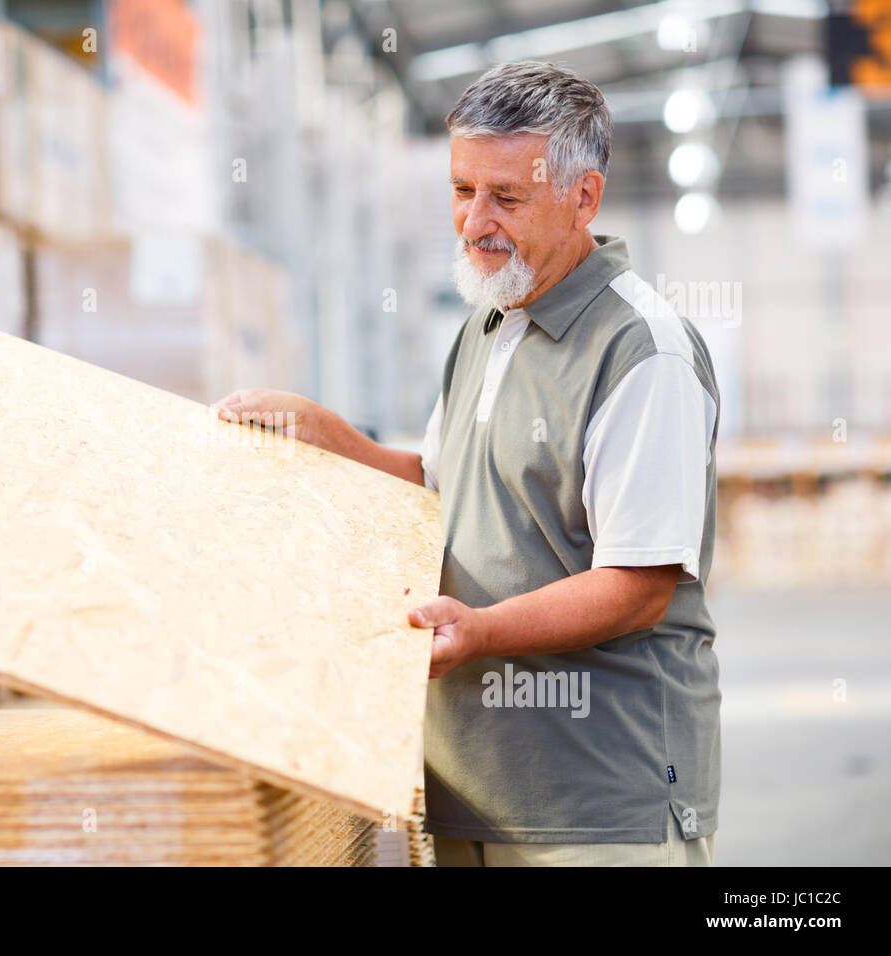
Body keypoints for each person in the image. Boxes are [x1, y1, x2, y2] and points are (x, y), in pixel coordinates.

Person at [214, 60, 721, 867]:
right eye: (461, 191)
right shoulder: (487, 327)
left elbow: (638, 587)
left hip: (596, 805)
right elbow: (442, 488)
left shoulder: (640, 351)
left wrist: (479, 631)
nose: (474, 222)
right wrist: (330, 438)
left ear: (583, 197)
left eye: (506, 199)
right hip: (467, 789)